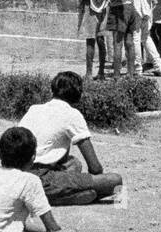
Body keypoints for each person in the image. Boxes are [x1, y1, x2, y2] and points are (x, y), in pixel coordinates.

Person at [18, 71, 122, 205]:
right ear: (78, 93)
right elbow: (95, 167)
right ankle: (55, 197)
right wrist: (95, 180)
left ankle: (65, 193)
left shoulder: (34, 109)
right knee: (115, 180)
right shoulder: (72, 114)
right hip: (40, 177)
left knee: (74, 163)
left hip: (19, 173)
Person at [77, 0, 111, 80]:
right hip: (103, 6)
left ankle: (89, 72)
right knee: (101, 40)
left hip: (89, 6)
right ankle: (101, 72)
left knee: (90, 40)